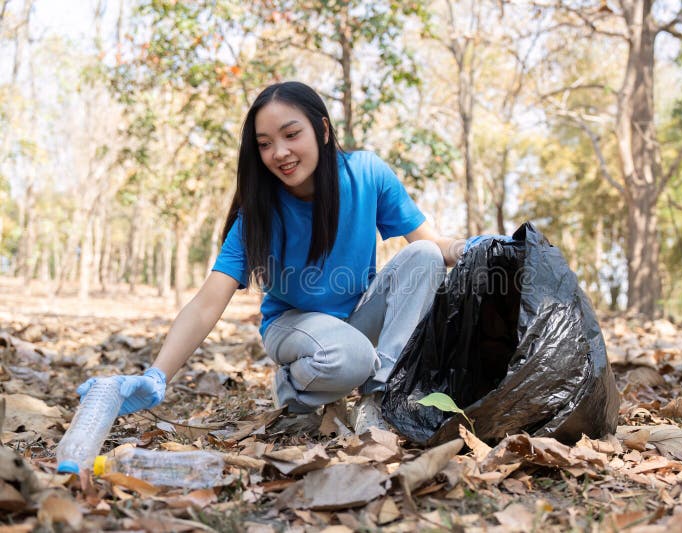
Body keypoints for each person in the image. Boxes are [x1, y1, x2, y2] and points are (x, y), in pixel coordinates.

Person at [77, 81, 500, 435]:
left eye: (291, 134)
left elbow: (433, 245)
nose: (279, 152)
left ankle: (380, 400)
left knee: (423, 256)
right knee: (350, 356)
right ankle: (294, 386)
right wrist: (156, 375)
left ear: (324, 130)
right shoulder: (258, 213)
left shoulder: (367, 174)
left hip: (355, 317)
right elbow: (208, 303)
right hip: (292, 327)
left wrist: (472, 247)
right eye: (265, 144)